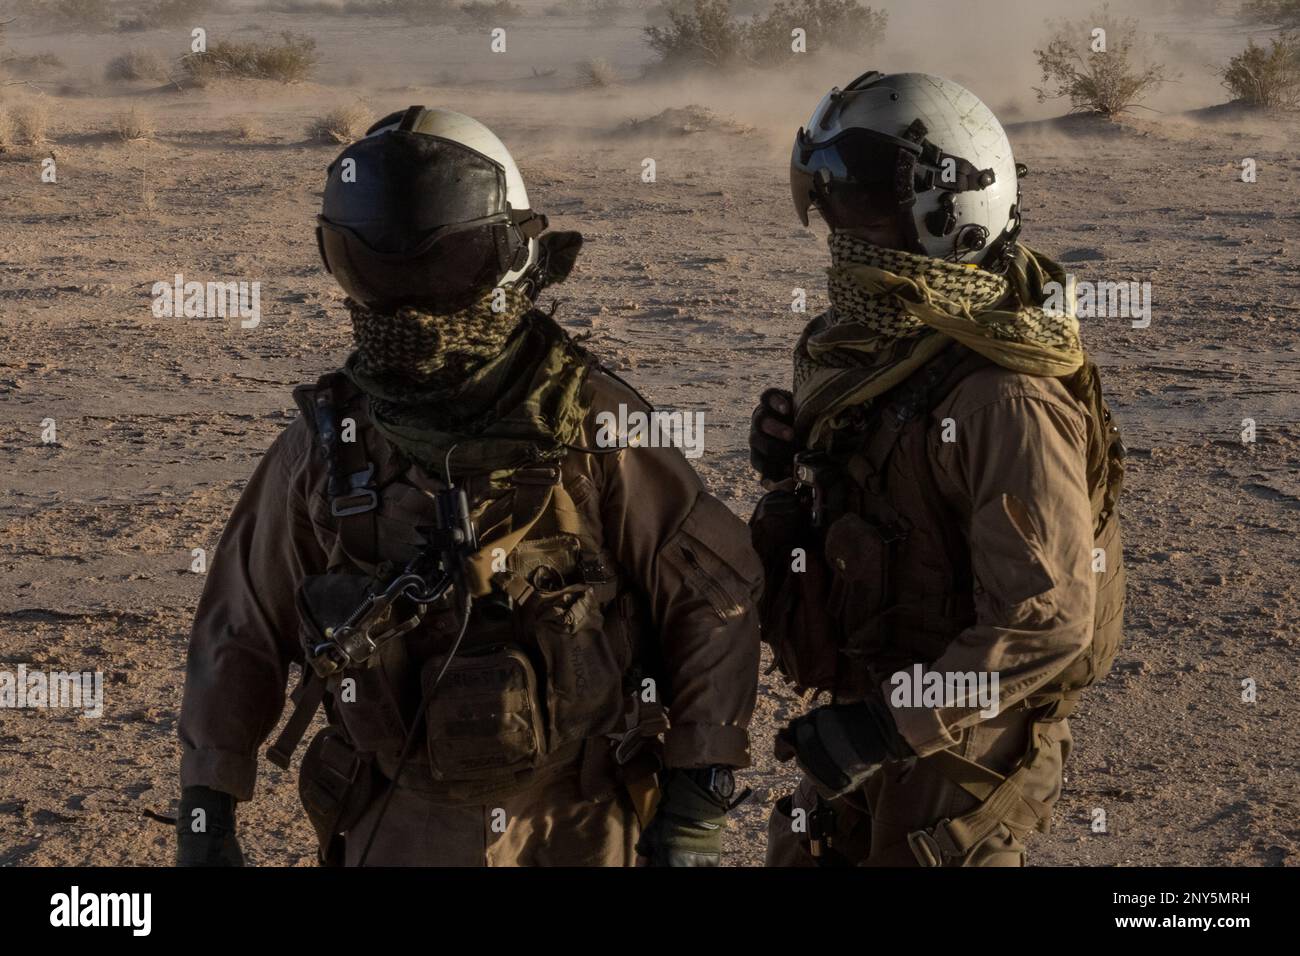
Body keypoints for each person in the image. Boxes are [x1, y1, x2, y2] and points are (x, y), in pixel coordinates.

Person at [176, 106, 762, 867]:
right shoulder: (327, 448)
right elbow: (240, 631)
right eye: (382, 269)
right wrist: (207, 811)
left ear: (514, 258)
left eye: (443, 266)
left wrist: (694, 806)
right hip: (398, 823)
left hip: (578, 823)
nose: (414, 304)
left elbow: (714, 604)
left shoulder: (591, 425)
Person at [750, 73, 1126, 867]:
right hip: (875, 704)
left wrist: (888, 727)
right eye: (829, 203)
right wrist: (795, 468)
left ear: (946, 215)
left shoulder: (1002, 396)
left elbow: (1048, 618)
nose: (838, 229)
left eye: (862, 207)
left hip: (960, 739)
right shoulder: (869, 350)